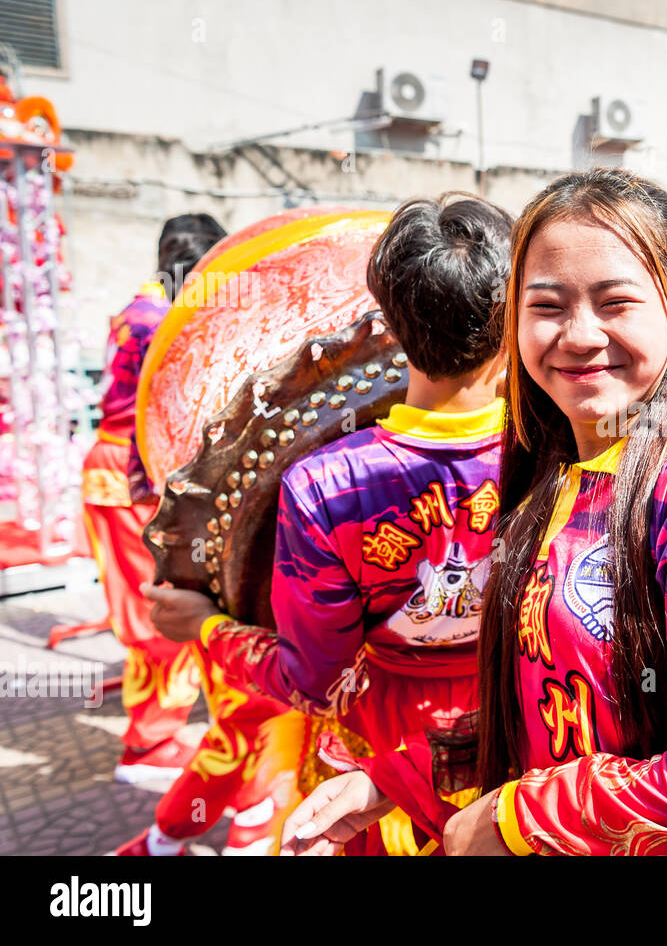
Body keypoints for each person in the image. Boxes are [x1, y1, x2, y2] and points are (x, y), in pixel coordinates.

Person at [280, 168, 667, 857]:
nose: (581, 335)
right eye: (548, 305)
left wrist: (520, 817)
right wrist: (394, 778)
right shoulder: (555, 478)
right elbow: (558, 711)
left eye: (615, 302)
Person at [145, 195, 513, 855]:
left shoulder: (323, 485)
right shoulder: (555, 453)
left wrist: (205, 624)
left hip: (379, 754)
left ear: (387, 322)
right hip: (519, 729)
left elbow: (310, 679)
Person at [81, 215, 223, 785]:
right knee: (157, 608)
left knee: (145, 604)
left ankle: (155, 729)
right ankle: (148, 744)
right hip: (132, 475)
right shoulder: (165, 322)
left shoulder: (136, 309)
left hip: (113, 468)